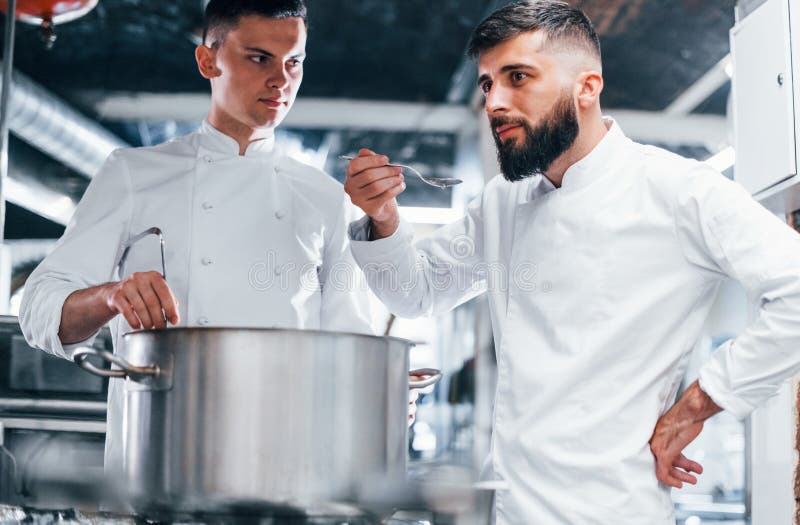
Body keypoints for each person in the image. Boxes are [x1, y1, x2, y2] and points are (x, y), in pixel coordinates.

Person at [343, 1, 800, 523]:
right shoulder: (503, 202)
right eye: (488, 84)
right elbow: (416, 292)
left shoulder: (679, 190)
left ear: (587, 87)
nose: (494, 102)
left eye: (518, 77)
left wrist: (701, 402)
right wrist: (383, 217)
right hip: (510, 509)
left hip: (612, 511)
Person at [19, 0, 375, 479]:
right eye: (259, 58)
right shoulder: (133, 175)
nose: (281, 80)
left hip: (282, 471)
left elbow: (352, 351)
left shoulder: (327, 199)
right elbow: (37, 311)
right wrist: (110, 296)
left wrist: (386, 394)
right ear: (208, 60)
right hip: (157, 463)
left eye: (294, 62)